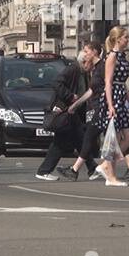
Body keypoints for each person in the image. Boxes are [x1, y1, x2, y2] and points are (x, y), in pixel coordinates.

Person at [95, 26, 129, 186]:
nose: (128, 40)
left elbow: (123, 82)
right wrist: (110, 105)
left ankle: (106, 165)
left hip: (121, 96)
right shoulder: (112, 56)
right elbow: (108, 82)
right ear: (118, 39)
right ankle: (111, 176)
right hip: (113, 98)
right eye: (126, 37)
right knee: (113, 137)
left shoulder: (122, 56)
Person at [36, 49, 89, 180]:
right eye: (90, 63)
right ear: (83, 61)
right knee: (62, 142)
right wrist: (70, 96)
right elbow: (57, 83)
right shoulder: (73, 70)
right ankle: (43, 171)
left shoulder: (82, 72)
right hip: (65, 110)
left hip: (73, 112)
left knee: (81, 140)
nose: (91, 66)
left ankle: (93, 169)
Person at [58, 42, 109, 181]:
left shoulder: (103, 67)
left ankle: (82, 169)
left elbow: (111, 86)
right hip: (100, 108)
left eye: (87, 51)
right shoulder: (96, 69)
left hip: (104, 108)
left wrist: (112, 105)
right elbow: (91, 91)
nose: (85, 54)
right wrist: (75, 105)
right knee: (93, 138)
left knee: (98, 138)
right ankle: (88, 169)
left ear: (94, 52)